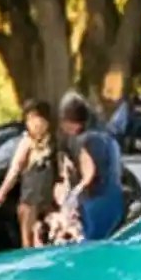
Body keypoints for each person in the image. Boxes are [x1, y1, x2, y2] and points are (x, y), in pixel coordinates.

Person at [60, 93, 126, 241]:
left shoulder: (83, 141)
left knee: (92, 243)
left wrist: (74, 195)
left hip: (94, 201)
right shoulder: (108, 138)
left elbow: (89, 172)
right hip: (115, 199)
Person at [0, 100, 59, 248]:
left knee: (51, 239)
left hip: (50, 203)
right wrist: (3, 190)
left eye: (39, 119)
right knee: (29, 242)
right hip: (30, 201)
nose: (35, 124)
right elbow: (15, 168)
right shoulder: (27, 143)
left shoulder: (54, 142)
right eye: (30, 120)